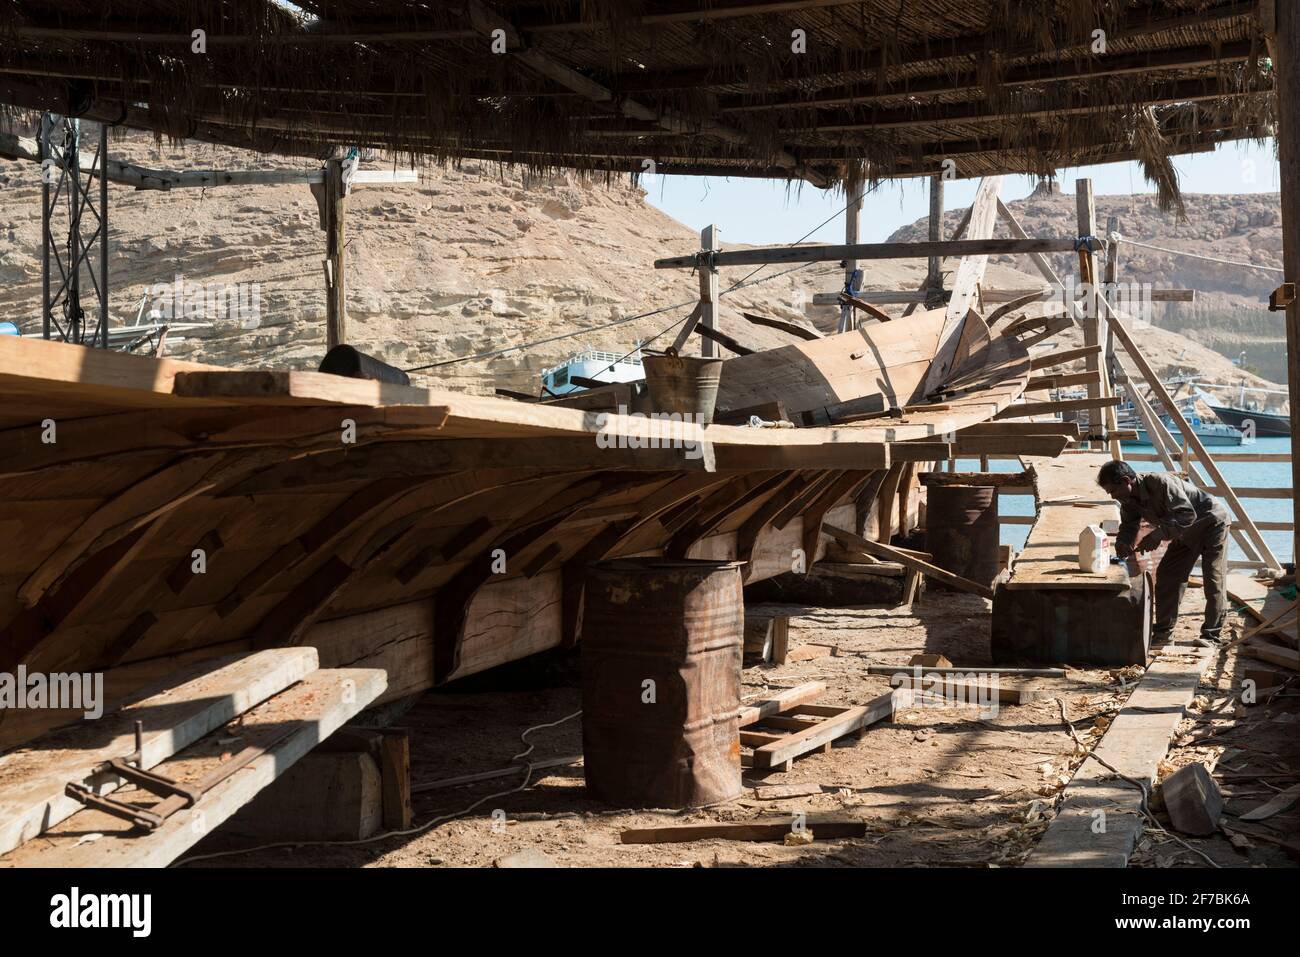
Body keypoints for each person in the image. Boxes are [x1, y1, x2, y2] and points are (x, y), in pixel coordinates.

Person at [1096, 460, 1229, 646]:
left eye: (1113, 491)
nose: (1113, 496)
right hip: (1184, 531)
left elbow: (1186, 515)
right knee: (1168, 576)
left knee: (1213, 579)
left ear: (1126, 480)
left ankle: (1211, 635)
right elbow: (1128, 525)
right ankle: (1164, 634)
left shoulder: (1160, 483)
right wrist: (1123, 542)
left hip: (1212, 523)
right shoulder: (1128, 499)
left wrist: (1157, 535)